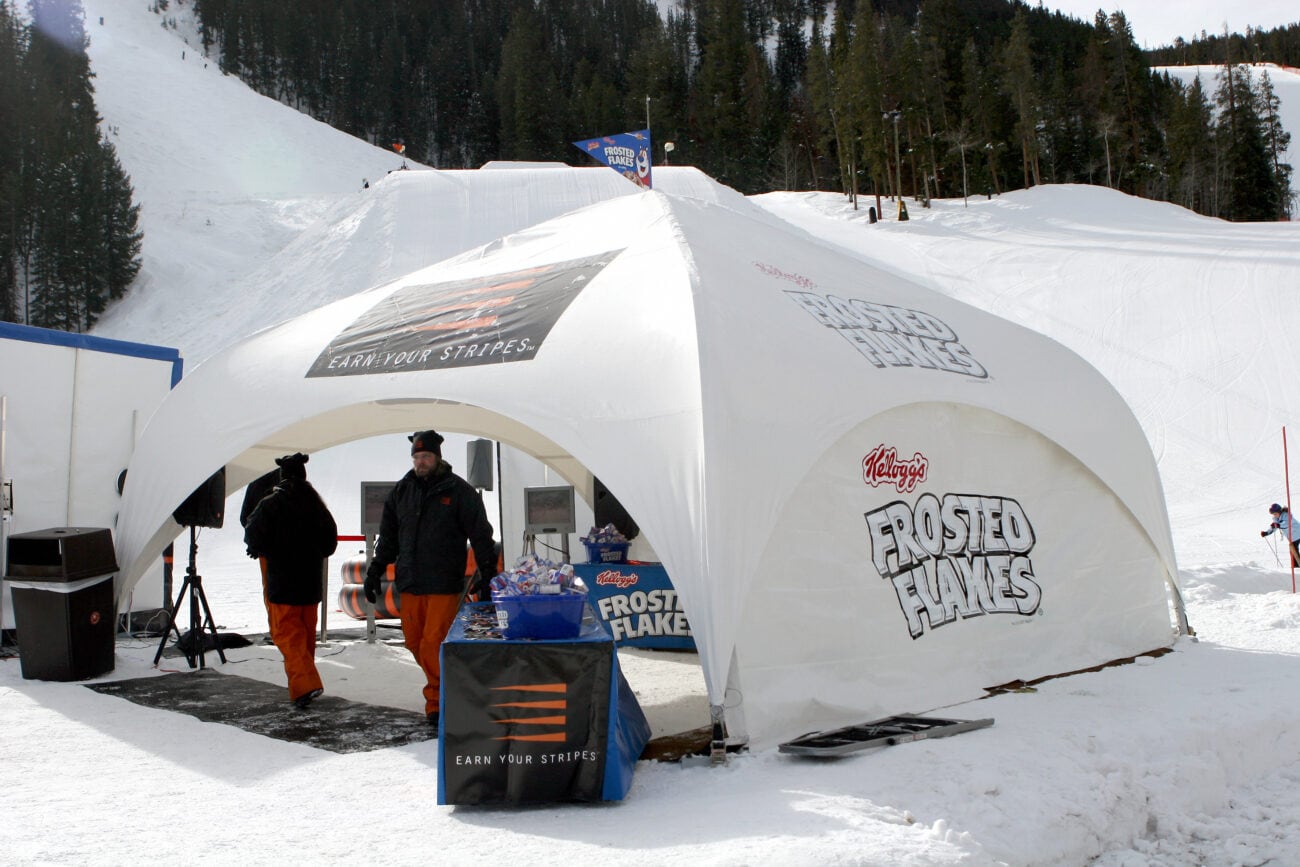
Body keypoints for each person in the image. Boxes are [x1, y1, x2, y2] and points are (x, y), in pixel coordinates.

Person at [365, 430, 498, 726]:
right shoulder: (401, 491)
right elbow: (387, 538)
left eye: (425, 457)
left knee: (433, 643)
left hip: (443, 583)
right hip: (410, 582)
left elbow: (480, 534)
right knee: (414, 642)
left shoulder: (459, 491)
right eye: (416, 457)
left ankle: (438, 702)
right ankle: (448, 689)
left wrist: (488, 572)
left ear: (438, 457)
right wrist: (375, 569)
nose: (420, 462)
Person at [244, 453, 339, 708]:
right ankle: (300, 690)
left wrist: (265, 548)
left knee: (286, 634)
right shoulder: (318, 506)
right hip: (310, 585)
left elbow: (252, 535)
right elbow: (330, 544)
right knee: (305, 636)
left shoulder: (271, 503)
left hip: (282, 584)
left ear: (282, 476)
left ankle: (306, 684)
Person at [1261, 502, 1300, 567]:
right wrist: (1267, 532)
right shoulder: (1276, 518)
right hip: (1292, 536)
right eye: (1273, 514)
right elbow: (1275, 526)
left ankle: (1296, 566)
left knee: (1293, 550)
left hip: (1297, 533)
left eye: (1275, 514)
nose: (1274, 515)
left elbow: (1286, 523)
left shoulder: (1286, 515)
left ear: (1280, 511)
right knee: (1293, 550)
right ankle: (1296, 566)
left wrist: (1277, 525)